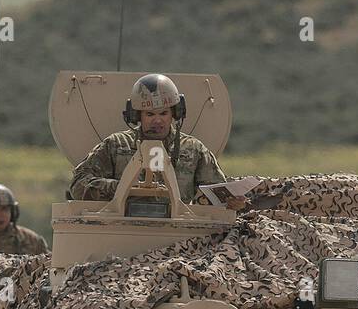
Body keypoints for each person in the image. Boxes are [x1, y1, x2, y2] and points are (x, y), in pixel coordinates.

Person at [68, 73, 246, 210]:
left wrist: (231, 203)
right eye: (150, 114)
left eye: (163, 113)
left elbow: (216, 193)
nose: (157, 120)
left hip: (178, 234)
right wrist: (123, 187)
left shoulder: (193, 150)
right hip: (123, 229)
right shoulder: (116, 145)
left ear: (175, 114)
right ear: (137, 115)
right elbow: (78, 184)